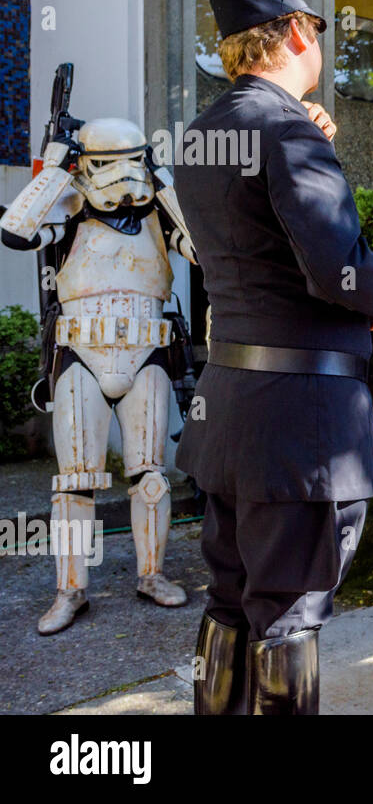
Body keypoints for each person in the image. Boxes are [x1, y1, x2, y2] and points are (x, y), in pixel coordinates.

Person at [177, 0, 373, 714]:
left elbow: (252, 242)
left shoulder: (202, 134)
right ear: (298, 31)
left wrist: (306, 140)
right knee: (289, 612)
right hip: (300, 421)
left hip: (229, 409)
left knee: (231, 600)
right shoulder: (286, 129)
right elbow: (338, 270)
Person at [1, 117, 198, 634]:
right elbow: (15, 231)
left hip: (147, 350)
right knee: (74, 482)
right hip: (80, 350)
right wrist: (53, 167)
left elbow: (205, 248)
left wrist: (164, 179)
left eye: (132, 161)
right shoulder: (68, 208)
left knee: (150, 475)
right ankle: (70, 590)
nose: (123, 176)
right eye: (109, 163)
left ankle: (152, 574)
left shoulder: (158, 211)